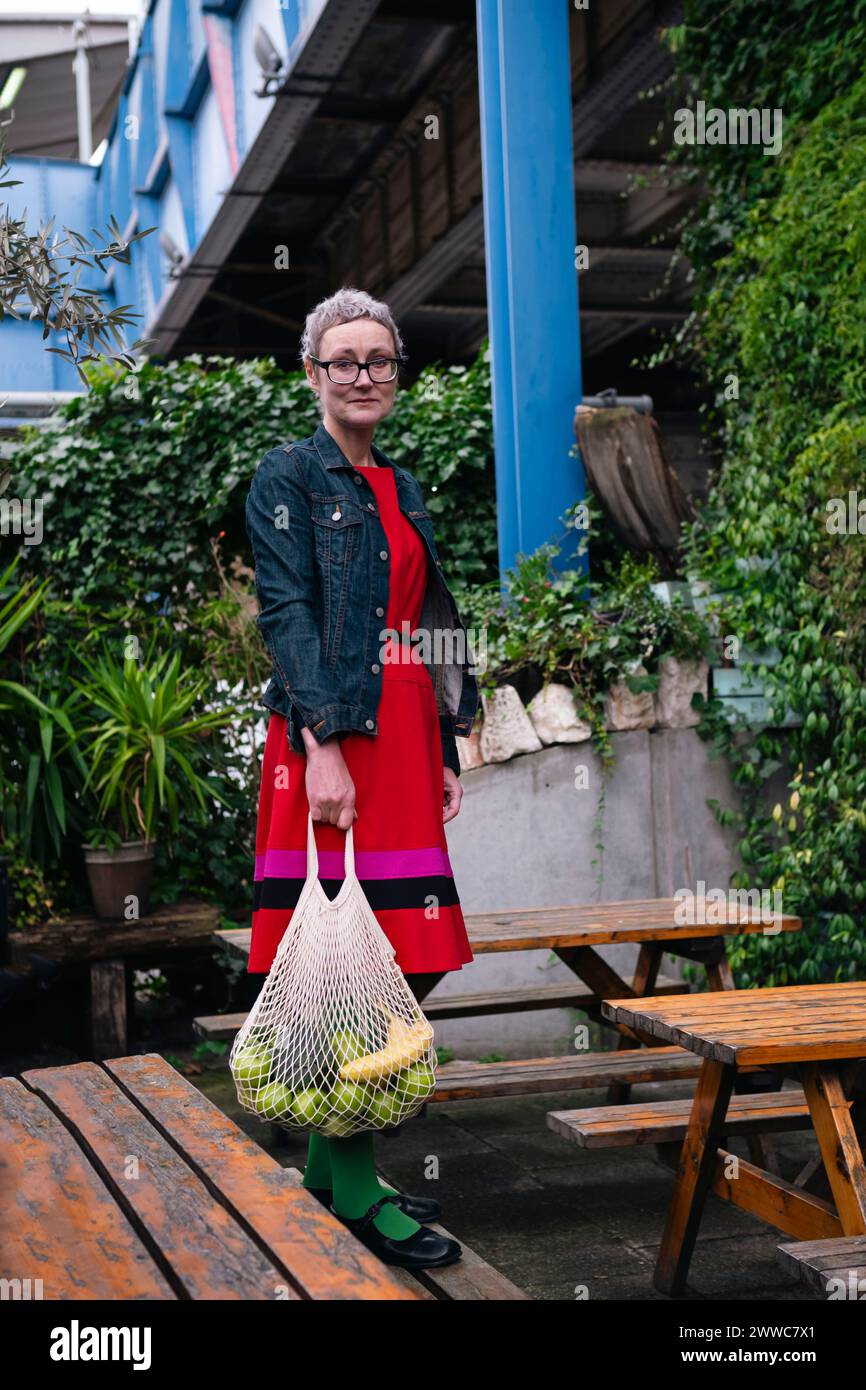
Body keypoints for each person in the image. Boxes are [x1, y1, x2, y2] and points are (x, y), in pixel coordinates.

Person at [244, 286, 481, 1269]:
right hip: (332, 745)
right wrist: (323, 741)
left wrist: (451, 738)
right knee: (337, 970)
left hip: (406, 743)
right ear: (313, 374)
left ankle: (327, 1174)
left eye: (378, 359)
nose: (362, 375)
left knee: (406, 957)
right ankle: (354, 1192)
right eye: (342, 359)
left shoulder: (406, 485)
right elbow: (287, 610)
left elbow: (434, 615)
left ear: (395, 373)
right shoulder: (286, 477)